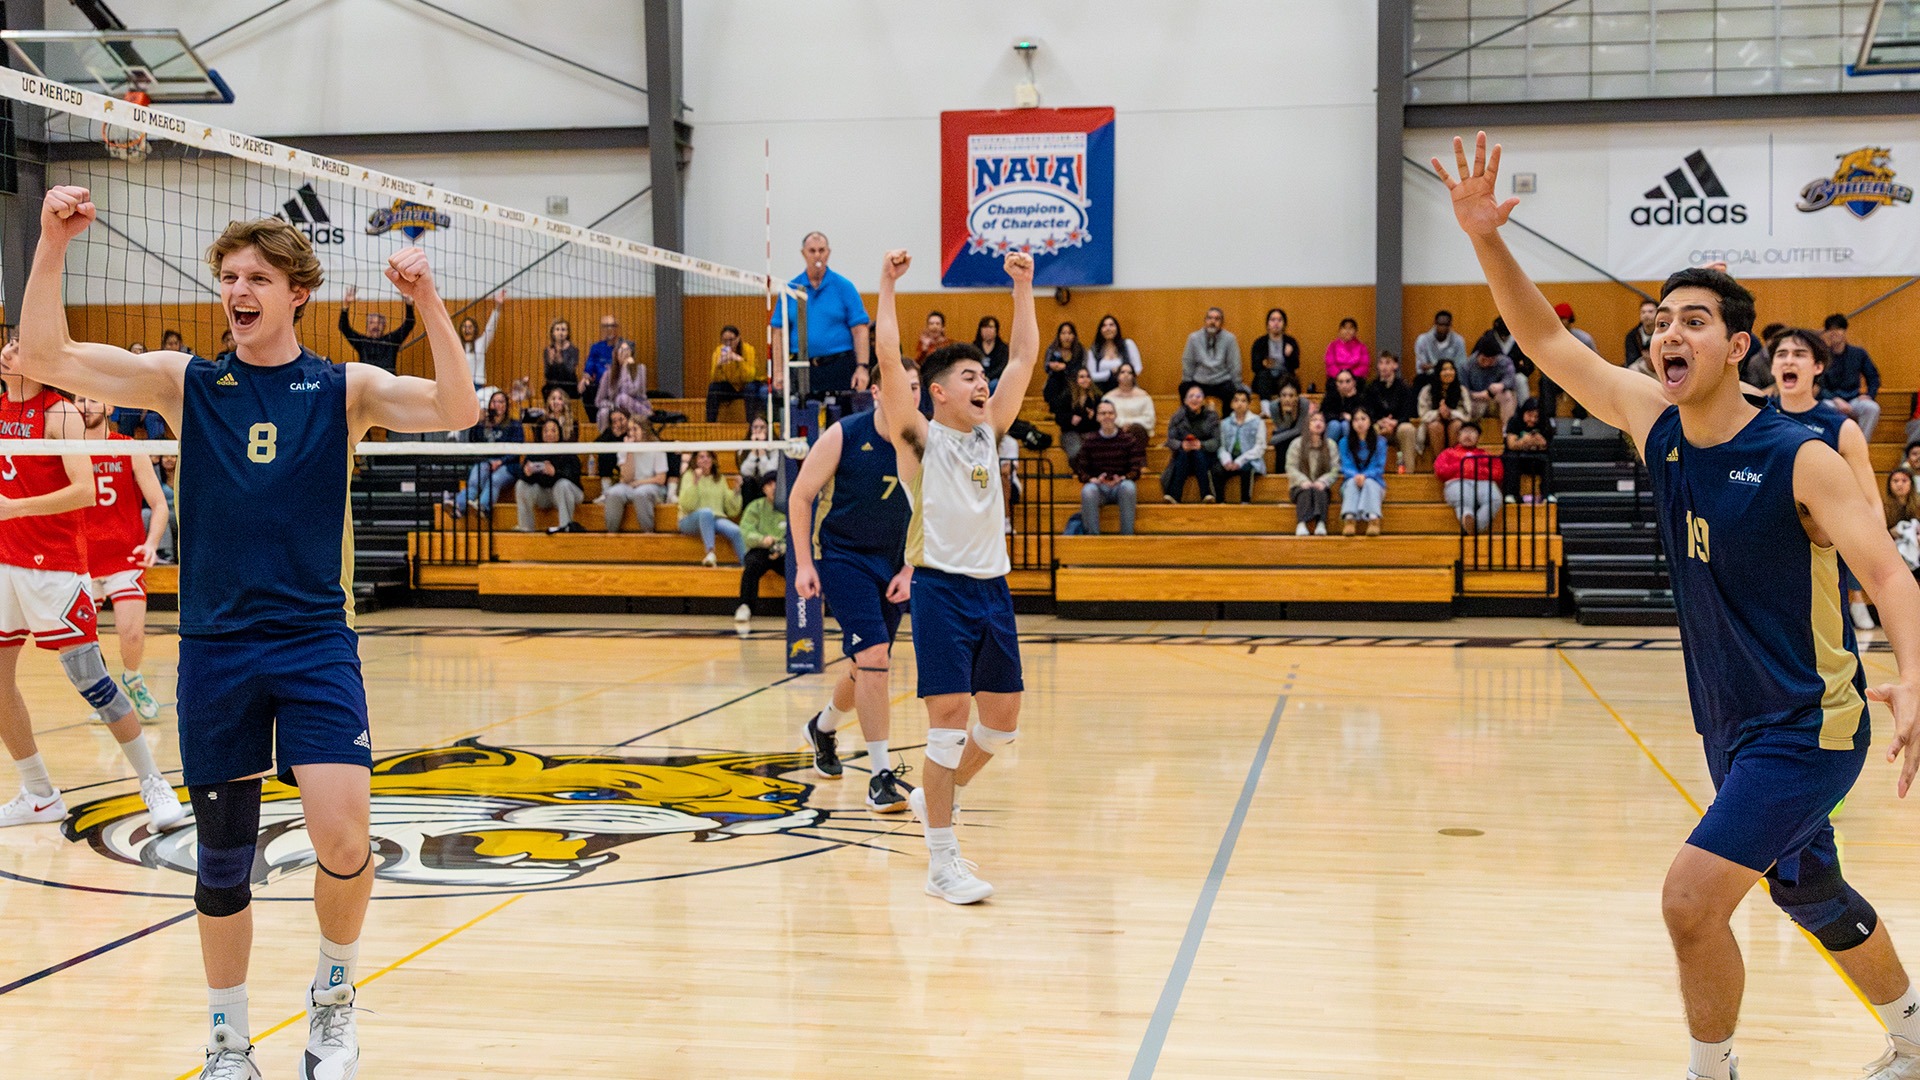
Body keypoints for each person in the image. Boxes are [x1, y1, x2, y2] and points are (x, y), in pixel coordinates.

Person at [1437, 132, 1920, 1080]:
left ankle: (1713, 1071)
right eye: (1662, 321)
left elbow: (1892, 576)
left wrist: (1915, 673)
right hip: (1732, 722)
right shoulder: (1655, 424)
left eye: (1694, 321)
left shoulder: (1800, 457)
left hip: (1809, 726)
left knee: (1691, 902)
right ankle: (1914, 1035)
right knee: (1810, 892)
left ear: (1737, 348)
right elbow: (1545, 342)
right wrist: (1486, 237)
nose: (1670, 334)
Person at [23, 191, 479, 1079]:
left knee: (344, 839)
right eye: (230, 277)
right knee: (224, 859)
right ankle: (229, 1043)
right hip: (218, 648)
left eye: (258, 278)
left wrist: (426, 302)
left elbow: (456, 407)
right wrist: (49, 242)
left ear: (297, 293)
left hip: (313, 642)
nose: (239, 291)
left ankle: (333, 1001)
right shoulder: (184, 383)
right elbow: (46, 356)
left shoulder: (344, 388)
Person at [872, 246, 1038, 905]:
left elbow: (1022, 358)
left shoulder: (989, 430)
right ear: (938, 391)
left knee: (999, 725)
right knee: (946, 724)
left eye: (982, 376)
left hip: (993, 591)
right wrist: (887, 285)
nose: (982, 383)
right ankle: (942, 865)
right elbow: (889, 362)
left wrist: (1023, 286)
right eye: (969, 376)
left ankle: (934, 796)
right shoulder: (918, 440)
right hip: (940, 590)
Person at [0, 343, 181, 832]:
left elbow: (83, 490)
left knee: (90, 679)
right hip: (4, 563)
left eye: (19, 345)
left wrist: (13, 509)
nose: (8, 351)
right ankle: (39, 793)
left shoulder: (59, 412)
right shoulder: (1, 409)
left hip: (55, 566)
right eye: (7, 343)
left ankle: (153, 782)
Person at [787, 360, 918, 814]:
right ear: (877, 392)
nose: (910, 395)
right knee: (875, 656)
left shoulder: (924, 441)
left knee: (866, 664)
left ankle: (822, 727)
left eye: (916, 387)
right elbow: (801, 496)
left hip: (893, 565)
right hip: (842, 558)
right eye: (901, 386)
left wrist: (910, 569)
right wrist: (804, 564)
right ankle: (880, 777)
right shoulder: (844, 435)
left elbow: (934, 512)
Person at [1773, 327, 1882, 632]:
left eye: (1799, 354)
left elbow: (1871, 501)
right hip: (1768, 554)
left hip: (1821, 556)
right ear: (1772, 367)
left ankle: (1856, 603)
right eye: (1781, 354)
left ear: (1818, 367)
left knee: (1830, 648)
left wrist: (1877, 562)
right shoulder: (1754, 420)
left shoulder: (1841, 428)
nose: (1788, 361)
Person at [76, 394, 169, 722]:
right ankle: (106, 694)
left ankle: (133, 679)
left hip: (125, 558)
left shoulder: (128, 448)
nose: (85, 406)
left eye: (93, 400)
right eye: (79, 400)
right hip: (81, 560)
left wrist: (151, 544)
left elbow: (159, 504)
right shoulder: (65, 448)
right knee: (82, 641)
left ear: (110, 407)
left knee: (131, 632)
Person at [773, 231, 871, 405]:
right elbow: (778, 332)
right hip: (802, 369)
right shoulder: (790, 290)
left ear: (828, 253)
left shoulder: (844, 287)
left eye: (821, 250)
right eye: (812, 251)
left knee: (841, 418)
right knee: (803, 418)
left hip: (839, 368)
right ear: (803, 253)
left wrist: (862, 367)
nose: (817, 255)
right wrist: (778, 371)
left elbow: (860, 330)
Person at [1074, 400, 1144, 536]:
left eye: (1110, 413)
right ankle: (1093, 537)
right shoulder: (1089, 441)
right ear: (1097, 417)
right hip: (1099, 487)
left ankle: (1127, 536)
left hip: (1120, 486)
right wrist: (1092, 479)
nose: (1107, 416)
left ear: (1115, 416)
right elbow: (1081, 469)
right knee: (1088, 490)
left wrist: (1122, 478)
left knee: (1129, 487)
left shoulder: (1128, 440)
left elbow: (1136, 468)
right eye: (1103, 413)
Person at [455, 390, 521, 516]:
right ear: (490, 405)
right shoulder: (484, 424)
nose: (497, 405)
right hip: (486, 463)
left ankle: (483, 507)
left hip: (508, 465)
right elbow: (474, 443)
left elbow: (517, 450)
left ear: (506, 405)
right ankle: (459, 506)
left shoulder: (514, 425)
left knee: (494, 479)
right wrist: (477, 423)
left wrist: (501, 461)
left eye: (501, 402)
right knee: (474, 480)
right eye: (494, 402)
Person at [1822, 313, 1884, 443]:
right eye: (1830, 329)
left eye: (1838, 329)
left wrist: (1869, 395)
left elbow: (1873, 377)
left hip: (1854, 399)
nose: (1834, 333)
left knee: (1872, 407)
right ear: (1826, 333)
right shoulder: (1822, 355)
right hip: (1831, 400)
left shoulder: (1858, 353)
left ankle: (1861, 444)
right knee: (1824, 407)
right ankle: (1831, 445)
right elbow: (1817, 384)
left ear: (1845, 331)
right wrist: (1835, 399)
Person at [516, 417, 584, 534]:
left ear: (559, 433)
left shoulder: (567, 451)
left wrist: (555, 472)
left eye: (553, 430)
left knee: (562, 484)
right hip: (545, 495)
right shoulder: (535, 451)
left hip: (570, 493)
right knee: (521, 484)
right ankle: (526, 529)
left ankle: (565, 528)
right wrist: (527, 473)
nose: (549, 434)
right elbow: (522, 472)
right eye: (546, 431)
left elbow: (573, 476)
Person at [734, 474, 786, 625]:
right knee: (752, 564)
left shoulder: (790, 507)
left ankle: (796, 606)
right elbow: (746, 531)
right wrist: (762, 540)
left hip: (784, 551)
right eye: (769, 484)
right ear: (763, 489)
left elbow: (797, 533)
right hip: (761, 549)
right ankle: (745, 605)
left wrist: (782, 547)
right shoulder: (755, 507)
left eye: (776, 483)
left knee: (795, 566)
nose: (774, 487)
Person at [677, 449, 743, 567]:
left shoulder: (719, 478)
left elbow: (731, 510)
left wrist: (736, 491)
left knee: (736, 531)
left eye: (708, 456)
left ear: (713, 460)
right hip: (688, 519)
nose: (705, 459)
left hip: (715, 518)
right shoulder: (689, 476)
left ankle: (747, 566)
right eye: (701, 457)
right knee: (706, 513)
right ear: (695, 460)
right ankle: (710, 553)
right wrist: (695, 482)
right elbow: (687, 505)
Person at [1435, 421, 1504, 532]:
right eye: (1465, 431)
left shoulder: (1486, 455)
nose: (1468, 435)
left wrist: (1476, 470)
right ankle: (1467, 517)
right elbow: (1440, 471)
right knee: (1465, 498)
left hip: (1483, 482)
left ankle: (1475, 526)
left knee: (1495, 499)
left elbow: (1498, 473)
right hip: (1457, 481)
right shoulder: (1448, 453)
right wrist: (1462, 467)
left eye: (1473, 432)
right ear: (1458, 436)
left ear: (1478, 438)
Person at [1161, 384, 1221, 504]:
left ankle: (1206, 494)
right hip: (1183, 458)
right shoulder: (1177, 417)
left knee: (1197, 453)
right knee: (1184, 454)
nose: (1195, 399)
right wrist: (1181, 445)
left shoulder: (1212, 416)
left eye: (1198, 396)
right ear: (1185, 401)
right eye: (1191, 396)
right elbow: (1170, 440)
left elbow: (1216, 441)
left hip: (1206, 457)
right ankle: (1175, 496)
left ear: (1203, 400)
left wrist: (1201, 445)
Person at [603, 423, 668, 534]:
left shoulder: (656, 446)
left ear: (644, 430)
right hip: (630, 485)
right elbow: (626, 478)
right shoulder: (625, 447)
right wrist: (629, 450)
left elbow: (660, 479)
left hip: (652, 486)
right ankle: (611, 534)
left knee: (641, 493)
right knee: (613, 493)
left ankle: (648, 534)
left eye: (635, 429)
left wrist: (639, 483)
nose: (631, 433)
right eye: (629, 430)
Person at [336, 284, 414, 374]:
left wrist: (409, 305)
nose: (375, 326)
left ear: (384, 326)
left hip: (387, 379)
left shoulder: (392, 340)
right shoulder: (362, 342)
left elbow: (409, 324)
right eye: (372, 322)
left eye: (379, 323)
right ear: (367, 326)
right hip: (367, 379)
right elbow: (344, 327)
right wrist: (346, 306)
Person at [1286, 410, 1339, 536]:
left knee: (1320, 491)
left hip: (1322, 485)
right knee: (1306, 491)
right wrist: (1302, 480)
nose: (1318, 423)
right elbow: (1290, 467)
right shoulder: (1296, 444)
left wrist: (1324, 481)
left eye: (1321, 420)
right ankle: (1301, 523)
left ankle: (1321, 523)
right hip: (1299, 485)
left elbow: (1335, 468)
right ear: (1307, 424)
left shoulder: (1331, 444)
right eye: (1314, 420)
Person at [1338, 406, 1388, 536]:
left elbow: (1379, 467)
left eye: (1363, 419)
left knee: (1370, 483)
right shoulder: (1344, 442)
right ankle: (1349, 520)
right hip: (1351, 480)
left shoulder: (1380, 442)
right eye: (1355, 420)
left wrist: (1365, 476)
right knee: (1351, 484)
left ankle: (1373, 520)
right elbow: (1345, 466)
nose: (1359, 423)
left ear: (1370, 421)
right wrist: (1356, 476)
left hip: (1375, 481)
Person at [1369, 351, 1419, 473]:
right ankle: (1372, 473)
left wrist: (1395, 423)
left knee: (1408, 429)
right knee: (1369, 429)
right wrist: (1380, 422)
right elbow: (1367, 411)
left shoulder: (1403, 387)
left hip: (1398, 427)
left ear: (1395, 365)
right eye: (1381, 363)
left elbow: (1409, 412)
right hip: (1379, 425)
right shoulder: (1371, 387)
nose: (1384, 367)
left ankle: (1409, 474)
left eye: (1387, 363)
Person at [1181, 306, 1240, 406]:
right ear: (1205, 321)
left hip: (1222, 381)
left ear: (1222, 322)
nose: (1213, 322)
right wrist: (1188, 382)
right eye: (1209, 318)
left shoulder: (1230, 339)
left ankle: (1227, 417)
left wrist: (1237, 383)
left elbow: (1234, 364)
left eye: (1217, 319)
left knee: (1231, 390)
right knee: (1184, 388)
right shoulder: (1194, 338)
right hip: (1199, 381)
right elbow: (1188, 361)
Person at [705, 324, 765, 422]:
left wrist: (739, 360)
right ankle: (710, 424)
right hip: (732, 386)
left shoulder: (749, 350)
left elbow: (750, 377)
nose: (728, 343)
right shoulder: (719, 351)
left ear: (738, 338)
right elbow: (714, 379)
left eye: (731, 340)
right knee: (713, 388)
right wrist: (718, 366)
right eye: (725, 341)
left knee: (750, 388)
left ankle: (751, 424)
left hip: (748, 384)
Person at [1465, 326, 1524, 424]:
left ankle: (1507, 430)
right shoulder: (1468, 365)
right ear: (1478, 355)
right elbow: (1462, 388)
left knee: (1507, 395)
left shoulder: (1503, 361)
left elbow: (1510, 379)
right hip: (1474, 399)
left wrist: (1501, 385)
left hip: (1494, 398)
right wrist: (1476, 395)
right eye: (1484, 360)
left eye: (1491, 360)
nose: (1487, 363)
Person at [1217, 389, 1267, 504]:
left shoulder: (1258, 422)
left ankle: (1245, 501)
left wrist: (1241, 460)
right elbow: (1222, 446)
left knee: (1246, 469)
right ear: (1231, 404)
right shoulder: (1225, 423)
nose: (1239, 404)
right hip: (1231, 458)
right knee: (1217, 469)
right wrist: (1226, 460)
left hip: (1250, 459)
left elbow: (1260, 447)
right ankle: (1220, 502)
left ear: (1249, 404)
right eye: (1236, 400)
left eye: (1243, 401)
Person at [1501, 396, 1554, 502]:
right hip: (1518, 460)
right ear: (1523, 413)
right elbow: (1511, 444)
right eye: (1530, 415)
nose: (1533, 419)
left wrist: (1539, 443)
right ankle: (1511, 494)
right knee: (1511, 457)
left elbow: (1545, 445)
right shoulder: (1514, 421)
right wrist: (1524, 441)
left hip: (1535, 460)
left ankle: (1547, 495)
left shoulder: (1544, 423)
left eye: (1536, 417)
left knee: (1547, 460)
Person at [594, 339, 650, 428]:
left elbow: (632, 391)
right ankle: (607, 435)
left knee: (622, 398)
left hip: (638, 406)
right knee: (603, 412)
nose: (624, 353)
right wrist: (612, 405)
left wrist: (626, 369)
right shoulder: (608, 374)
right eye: (621, 350)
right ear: (616, 354)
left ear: (631, 354)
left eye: (627, 350)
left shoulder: (640, 369)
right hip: (616, 408)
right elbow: (599, 401)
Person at [1049, 366, 1101, 461]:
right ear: (1075, 380)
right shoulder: (1066, 396)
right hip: (1070, 433)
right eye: (1081, 377)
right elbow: (1058, 417)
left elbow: (1100, 421)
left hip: (1091, 432)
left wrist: (1094, 416)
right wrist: (1070, 418)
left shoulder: (1097, 397)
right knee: (1076, 453)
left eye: (1088, 376)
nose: (1085, 379)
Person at [1419, 357, 1471, 452]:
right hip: (1433, 424)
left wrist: (1450, 413)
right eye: (1444, 370)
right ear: (1438, 372)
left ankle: (1453, 458)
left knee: (1457, 425)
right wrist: (1439, 413)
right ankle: (1440, 460)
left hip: (1454, 422)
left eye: (1451, 369)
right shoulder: (1427, 390)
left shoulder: (1462, 390)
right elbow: (1423, 415)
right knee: (1435, 426)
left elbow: (1467, 415)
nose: (1448, 372)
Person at [1249, 307, 1301, 400]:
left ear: (1284, 324)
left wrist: (1289, 356)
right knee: (1263, 376)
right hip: (1265, 379)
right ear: (1268, 324)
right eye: (1273, 320)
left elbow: (1296, 365)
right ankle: (1265, 405)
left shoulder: (1290, 342)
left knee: (1288, 378)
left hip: (1284, 377)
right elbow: (1254, 367)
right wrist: (1264, 363)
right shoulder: (1260, 342)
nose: (1276, 323)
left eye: (1279, 320)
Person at [460, 290, 504, 392]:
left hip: (477, 385)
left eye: (470, 327)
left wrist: (498, 306)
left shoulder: (480, 343)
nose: (467, 330)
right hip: (460, 384)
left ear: (474, 329)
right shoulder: (457, 345)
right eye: (465, 327)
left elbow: (491, 327)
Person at [1414, 309, 1467, 390]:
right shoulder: (1422, 340)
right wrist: (1445, 366)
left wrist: (1433, 366)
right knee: (1419, 380)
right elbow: (1422, 367)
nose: (1443, 328)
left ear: (1450, 325)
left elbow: (1460, 365)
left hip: (1450, 377)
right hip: (1429, 378)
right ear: (1435, 324)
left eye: (1446, 325)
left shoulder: (1458, 341)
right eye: (1440, 324)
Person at [1085, 314, 1140, 391]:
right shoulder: (1094, 350)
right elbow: (1091, 376)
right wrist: (1110, 373)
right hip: (1102, 391)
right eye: (1104, 326)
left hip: (1127, 390)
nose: (1108, 328)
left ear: (1117, 328)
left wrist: (1123, 374)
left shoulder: (1128, 344)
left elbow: (1137, 369)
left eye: (1111, 325)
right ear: (1100, 330)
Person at [582, 314, 626, 408]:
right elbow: (589, 368)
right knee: (586, 388)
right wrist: (585, 378)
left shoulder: (625, 346)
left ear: (617, 328)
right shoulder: (596, 347)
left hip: (619, 387)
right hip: (600, 387)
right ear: (602, 329)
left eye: (612, 325)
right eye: (605, 326)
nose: (609, 329)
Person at [1103, 361, 1155, 439]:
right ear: (1117, 376)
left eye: (1129, 373)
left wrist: (1130, 424)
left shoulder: (1144, 396)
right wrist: (1122, 424)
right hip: (1115, 432)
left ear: (1133, 376)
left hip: (1138, 432)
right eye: (1122, 372)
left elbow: (1149, 418)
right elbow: (1105, 416)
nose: (1126, 375)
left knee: (1137, 430)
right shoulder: (1108, 397)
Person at [737, 416, 780, 508]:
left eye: (762, 427)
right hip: (751, 487)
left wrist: (761, 451)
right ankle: (748, 512)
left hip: (768, 483)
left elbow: (768, 473)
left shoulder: (776, 447)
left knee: (767, 483)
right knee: (747, 482)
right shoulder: (744, 447)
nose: (758, 430)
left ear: (768, 429)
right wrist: (753, 450)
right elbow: (745, 472)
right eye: (755, 427)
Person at [1042, 320, 1087, 404]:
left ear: (1074, 335)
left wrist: (1066, 367)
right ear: (1059, 335)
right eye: (1063, 333)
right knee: (1052, 386)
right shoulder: (1052, 348)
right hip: (1055, 381)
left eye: (1070, 333)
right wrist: (1052, 366)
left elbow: (1082, 368)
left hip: (1074, 382)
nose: (1067, 336)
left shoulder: (1080, 349)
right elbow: (1046, 366)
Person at [1320, 368, 1370, 443]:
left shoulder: (1360, 397)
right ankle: (1328, 449)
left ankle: (1350, 449)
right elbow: (1324, 414)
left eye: (1348, 381)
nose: (1344, 385)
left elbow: (1362, 415)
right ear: (1336, 383)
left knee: (1346, 425)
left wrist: (1350, 398)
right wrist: (1342, 416)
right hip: (1332, 426)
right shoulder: (1330, 395)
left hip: (1351, 426)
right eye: (1340, 382)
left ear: (1354, 382)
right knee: (1335, 425)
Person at [540, 317, 581, 400]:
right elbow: (547, 375)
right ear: (553, 333)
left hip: (569, 385)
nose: (560, 332)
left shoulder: (573, 350)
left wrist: (561, 362)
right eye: (557, 329)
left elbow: (570, 372)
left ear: (567, 333)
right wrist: (550, 362)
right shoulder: (548, 350)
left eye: (563, 329)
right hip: (553, 385)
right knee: (545, 390)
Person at [1266, 382, 1306, 463]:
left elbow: (1299, 430)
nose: (1287, 399)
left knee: (1294, 442)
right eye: (1283, 395)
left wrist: (1274, 439)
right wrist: (1287, 414)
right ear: (1279, 397)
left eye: (1291, 396)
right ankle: (1282, 471)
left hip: (1302, 433)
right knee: (1281, 444)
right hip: (1283, 433)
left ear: (1297, 397)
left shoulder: (1304, 404)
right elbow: (1282, 429)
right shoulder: (1274, 406)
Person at [588, 407, 631, 482]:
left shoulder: (633, 431)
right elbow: (595, 445)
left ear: (628, 419)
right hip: (612, 465)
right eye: (614, 421)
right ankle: (606, 484)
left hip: (630, 462)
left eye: (621, 419)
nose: (618, 424)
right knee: (605, 454)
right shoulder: (609, 431)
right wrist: (615, 436)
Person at [1324, 317, 1370, 385]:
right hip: (1336, 378)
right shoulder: (1332, 346)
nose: (1347, 331)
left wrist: (1350, 377)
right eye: (1345, 328)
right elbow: (1330, 365)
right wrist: (1340, 376)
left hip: (1355, 379)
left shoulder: (1362, 347)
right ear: (1340, 331)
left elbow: (1364, 366)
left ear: (1355, 331)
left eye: (1351, 328)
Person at [972, 316, 1009, 384]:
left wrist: (988, 377)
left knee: (994, 384)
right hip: (977, 378)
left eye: (991, 327)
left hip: (995, 379)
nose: (987, 330)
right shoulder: (973, 347)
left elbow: (1002, 367)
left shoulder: (1003, 348)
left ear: (996, 330)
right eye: (984, 327)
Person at [1624, 298, 1657, 368]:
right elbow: (1631, 360)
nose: (1646, 315)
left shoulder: (1665, 333)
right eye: (1643, 312)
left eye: (1650, 311)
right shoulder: (1632, 336)